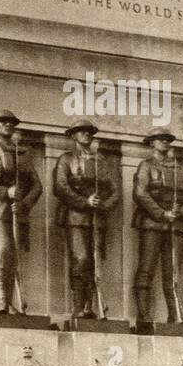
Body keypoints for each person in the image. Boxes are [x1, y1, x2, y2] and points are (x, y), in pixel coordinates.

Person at [0, 109, 42, 313]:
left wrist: (25, 203)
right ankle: (2, 300)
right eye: (2, 122)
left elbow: (37, 186)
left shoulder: (23, 152)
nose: (8, 125)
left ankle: (11, 302)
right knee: (3, 249)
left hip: (17, 210)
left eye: (11, 122)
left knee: (13, 255)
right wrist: (5, 192)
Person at [52, 119, 120, 319]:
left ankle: (90, 306)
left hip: (97, 218)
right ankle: (78, 306)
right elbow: (61, 187)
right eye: (81, 132)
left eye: (89, 132)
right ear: (73, 136)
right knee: (81, 260)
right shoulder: (66, 160)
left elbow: (115, 190)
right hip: (75, 216)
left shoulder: (101, 161)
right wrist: (85, 201)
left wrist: (104, 205)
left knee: (94, 262)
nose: (87, 135)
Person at [131, 128, 183, 326]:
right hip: (152, 223)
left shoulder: (180, 169)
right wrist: (161, 213)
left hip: (176, 224)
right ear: (151, 143)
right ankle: (144, 316)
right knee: (146, 268)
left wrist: (180, 212)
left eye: (167, 140)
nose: (164, 143)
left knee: (172, 271)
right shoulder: (146, 166)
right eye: (160, 140)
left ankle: (175, 315)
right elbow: (140, 194)